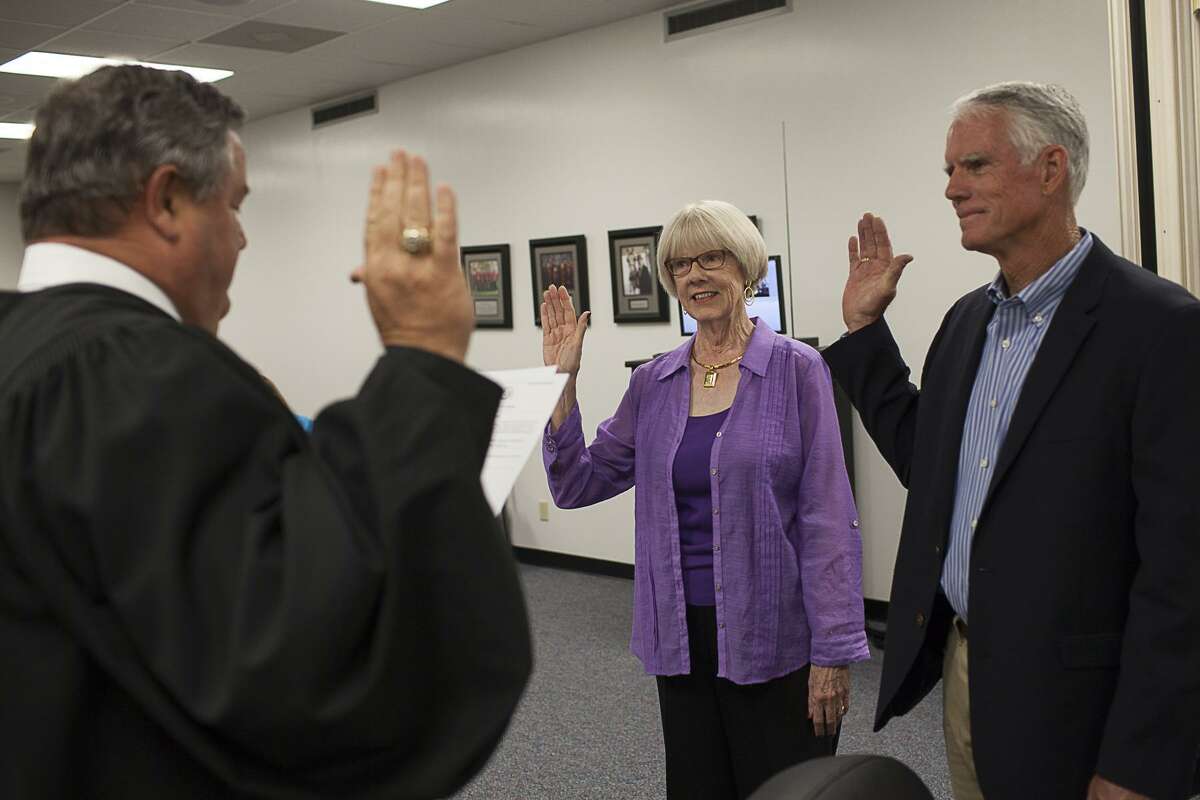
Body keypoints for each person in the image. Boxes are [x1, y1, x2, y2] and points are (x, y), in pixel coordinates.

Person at [0, 65, 531, 798]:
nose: (243, 239)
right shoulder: (132, 376)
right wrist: (425, 355)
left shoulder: (27, 352)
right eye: (235, 205)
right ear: (167, 201)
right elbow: (311, 671)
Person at [822, 81, 1200, 799]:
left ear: (1050, 170)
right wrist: (866, 336)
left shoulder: (1158, 328)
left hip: (1085, 699)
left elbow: (1182, 577)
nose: (952, 190)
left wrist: (1139, 760)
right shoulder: (969, 321)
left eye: (974, 166)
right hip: (970, 671)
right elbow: (935, 470)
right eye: (948, 172)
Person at [541, 200, 868, 800]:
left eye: (711, 258)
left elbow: (828, 517)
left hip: (774, 633)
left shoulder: (799, 370)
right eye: (681, 265)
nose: (695, 275)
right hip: (681, 638)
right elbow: (577, 483)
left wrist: (834, 652)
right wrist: (562, 382)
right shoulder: (654, 382)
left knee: (786, 789)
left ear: (745, 268)